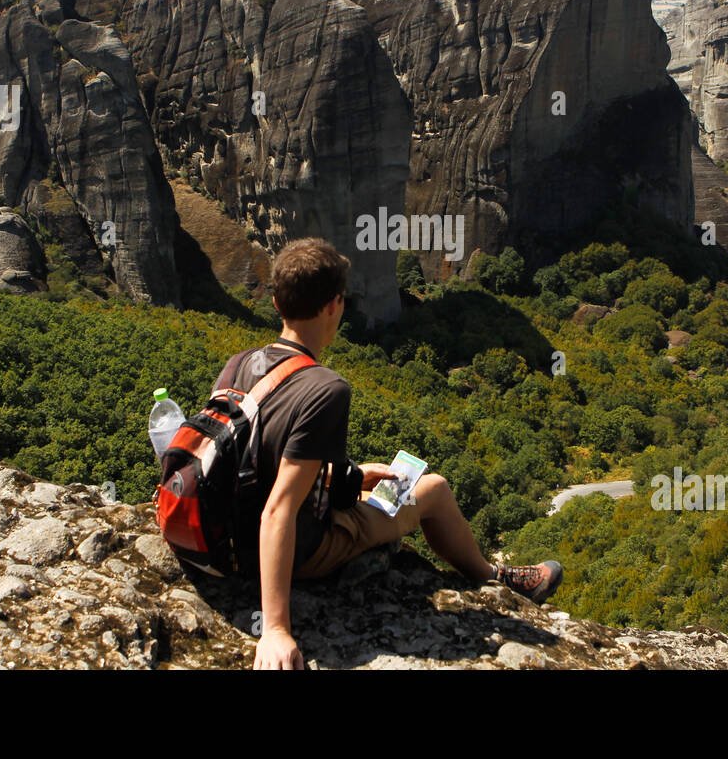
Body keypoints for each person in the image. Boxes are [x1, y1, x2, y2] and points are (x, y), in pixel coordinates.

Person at [227, 237, 563, 670]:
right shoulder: (325, 388)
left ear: (276, 302)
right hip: (294, 551)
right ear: (335, 305)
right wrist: (275, 630)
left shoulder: (240, 362)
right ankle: (493, 577)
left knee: (376, 487)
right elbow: (278, 511)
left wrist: (347, 477)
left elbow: (258, 462)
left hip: (223, 538)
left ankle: (486, 571)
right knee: (435, 490)